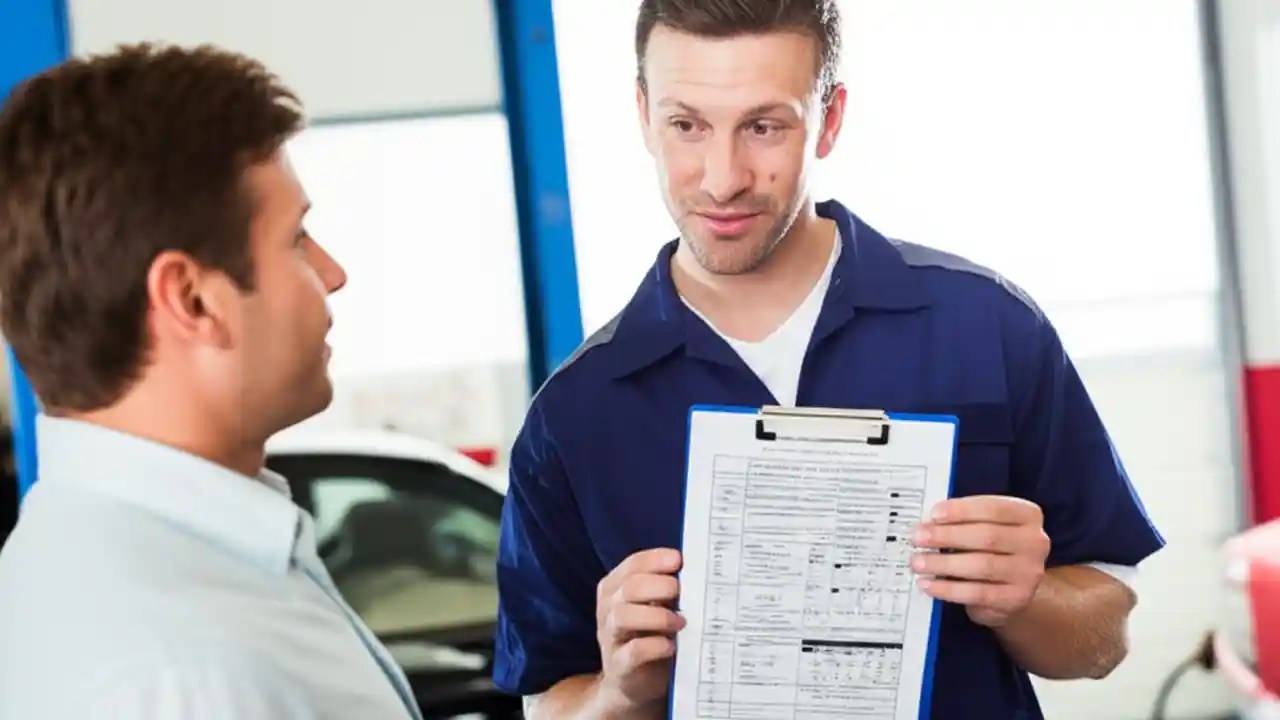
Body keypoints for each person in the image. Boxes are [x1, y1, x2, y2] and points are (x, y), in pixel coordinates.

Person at [493, 1, 1164, 718]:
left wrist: (1025, 600)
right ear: (642, 114)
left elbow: (1105, 639)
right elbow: (550, 698)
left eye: (764, 126)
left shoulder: (990, 327)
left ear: (830, 118)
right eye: (686, 125)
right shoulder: (574, 413)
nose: (722, 178)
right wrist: (620, 692)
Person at [0, 44, 421, 719]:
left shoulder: (91, 557)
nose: (333, 272)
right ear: (191, 299)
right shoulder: (185, 675)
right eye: (296, 239)